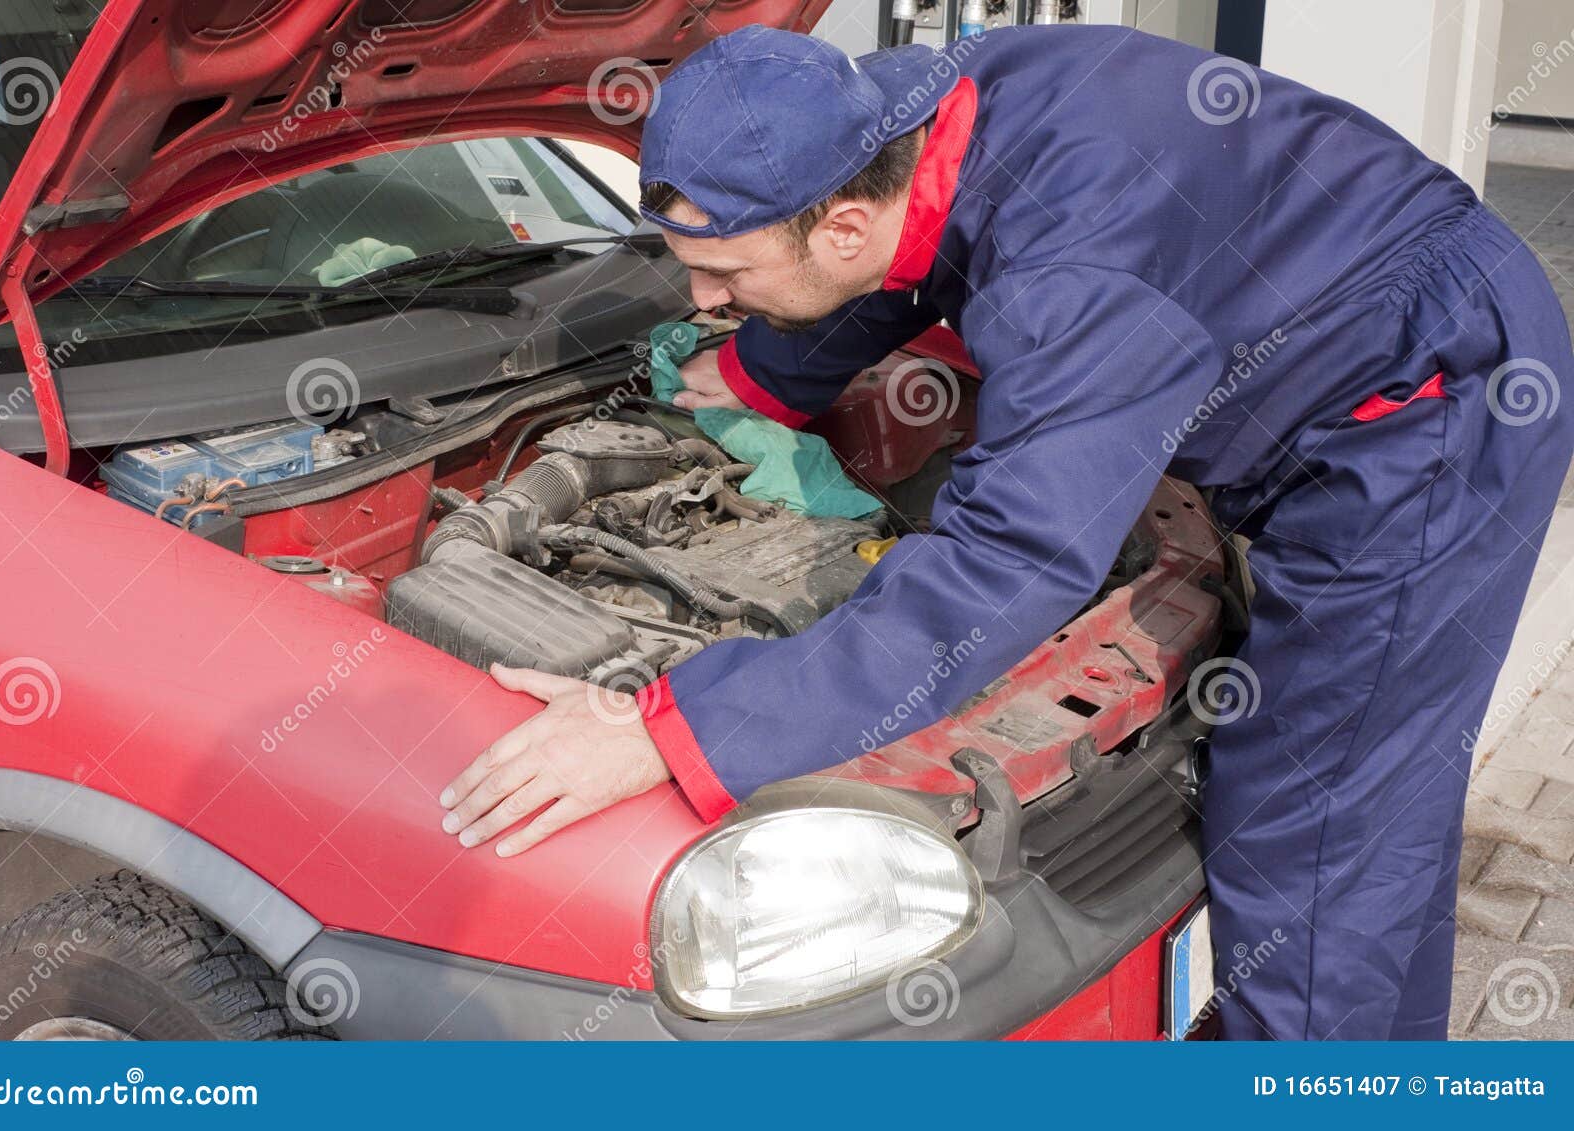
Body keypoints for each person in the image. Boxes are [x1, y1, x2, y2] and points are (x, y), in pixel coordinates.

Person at [437, 23, 1574, 1039]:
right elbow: (898, 260)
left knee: (1316, 825)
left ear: (834, 224)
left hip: (1426, 409)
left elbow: (1009, 558)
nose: (697, 301)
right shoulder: (902, 115)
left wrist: (672, 729)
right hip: (1356, 323)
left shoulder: (1074, 271)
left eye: (722, 275)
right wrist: (761, 375)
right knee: (1369, 801)